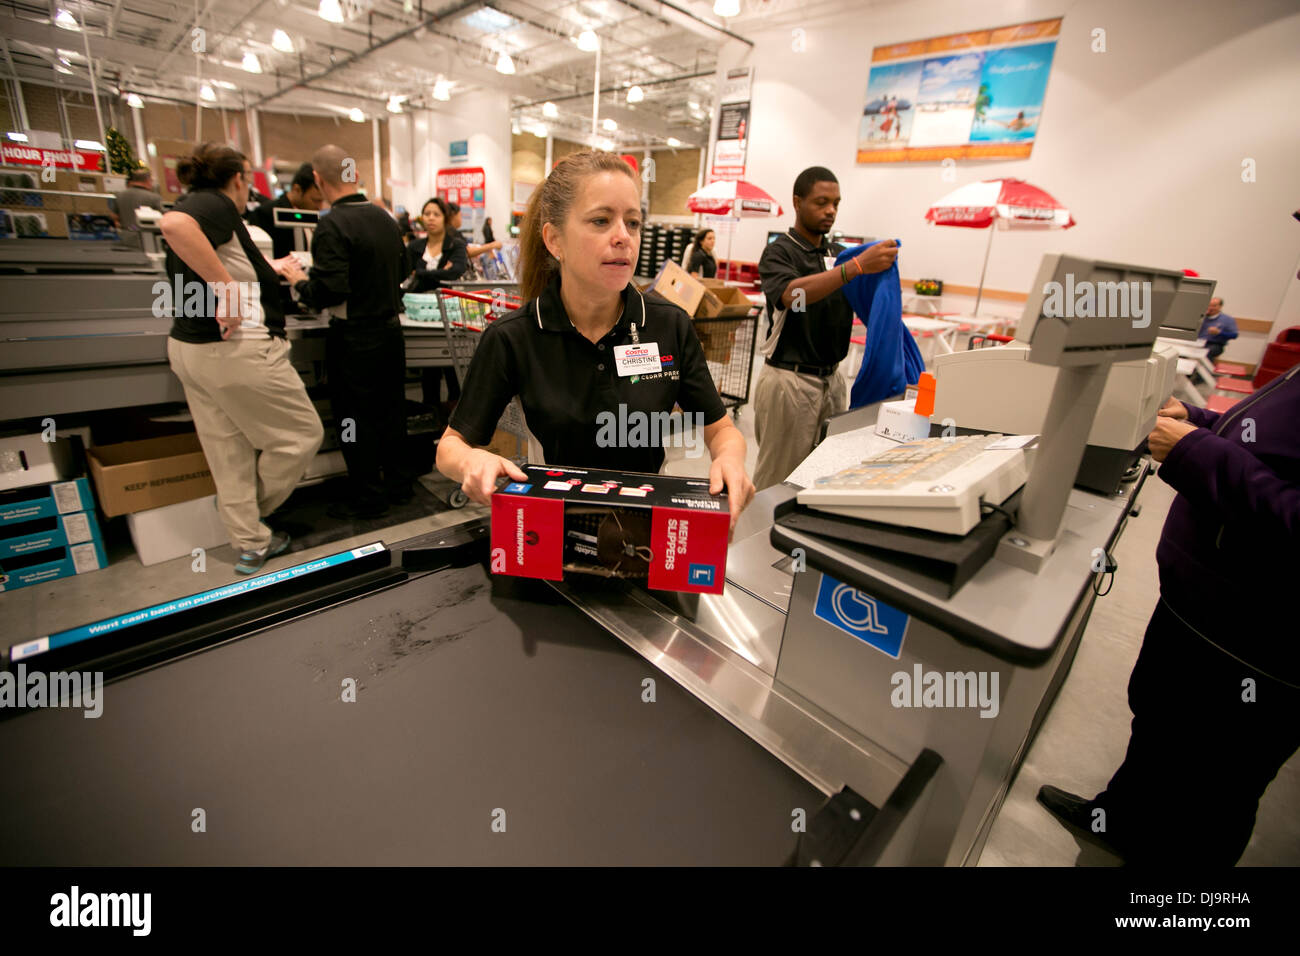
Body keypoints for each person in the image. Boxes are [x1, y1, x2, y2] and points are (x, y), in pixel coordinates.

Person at [1038, 357, 1300, 863]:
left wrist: (1196, 451)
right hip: (1203, 606)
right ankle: (1117, 822)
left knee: (1217, 787)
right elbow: (1270, 449)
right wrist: (1197, 422)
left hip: (1259, 644)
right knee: (1159, 726)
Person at [435, 149, 755, 530]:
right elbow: (450, 447)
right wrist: (473, 461)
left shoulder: (668, 326)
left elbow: (720, 428)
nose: (623, 237)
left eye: (633, 223)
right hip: (551, 531)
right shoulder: (514, 337)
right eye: (601, 221)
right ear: (555, 240)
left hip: (646, 533)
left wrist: (730, 459)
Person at [159, 142, 324, 574]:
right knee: (300, 436)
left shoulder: (202, 206)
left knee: (227, 448)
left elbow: (220, 257)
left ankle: (250, 541)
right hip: (236, 351)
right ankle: (248, 512)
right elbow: (174, 226)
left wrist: (269, 271)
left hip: (191, 349)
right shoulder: (212, 203)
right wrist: (228, 291)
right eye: (248, 177)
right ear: (238, 178)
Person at [279, 145, 410, 520]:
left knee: (354, 419)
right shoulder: (385, 218)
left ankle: (369, 497)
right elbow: (403, 269)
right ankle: (400, 486)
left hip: (354, 340)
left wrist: (300, 281)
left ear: (318, 180)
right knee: (391, 412)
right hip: (390, 334)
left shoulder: (332, 224)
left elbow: (330, 291)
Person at [752, 166, 898, 489]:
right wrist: (856, 267)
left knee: (822, 475)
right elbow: (794, 295)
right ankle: (753, 538)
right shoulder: (780, 252)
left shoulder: (837, 255)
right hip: (790, 382)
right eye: (821, 202)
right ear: (797, 202)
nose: (830, 210)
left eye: (836, 203)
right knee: (778, 480)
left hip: (832, 382)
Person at [405, 197, 469, 415]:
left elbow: (456, 270)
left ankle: (454, 415)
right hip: (419, 314)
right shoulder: (414, 247)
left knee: (452, 366)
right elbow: (407, 276)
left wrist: (421, 273)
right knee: (428, 368)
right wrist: (439, 273)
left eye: (436, 214)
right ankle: (429, 412)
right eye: (427, 213)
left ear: (445, 218)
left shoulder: (455, 245)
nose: (430, 218)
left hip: (449, 313)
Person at [246, 162, 324, 260]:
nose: (320, 207)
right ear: (297, 189)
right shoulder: (267, 214)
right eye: (315, 201)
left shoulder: (312, 216)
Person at [110, 167, 163, 249]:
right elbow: (162, 220)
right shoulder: (154, 198)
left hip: (125, 238)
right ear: (147, 180)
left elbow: (114, 217)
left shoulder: (119, 195)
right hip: (147, 240)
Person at [1198, 296, 1238, 362]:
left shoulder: (1227, 319)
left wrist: (1219, 332)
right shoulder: (1201, 317)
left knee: (1207, 352)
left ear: (1220, 306)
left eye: (1214, 306)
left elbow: (1234, 335)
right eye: (1209, 305)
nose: (1210, 308)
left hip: (1215, 344)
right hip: (1197, 341)